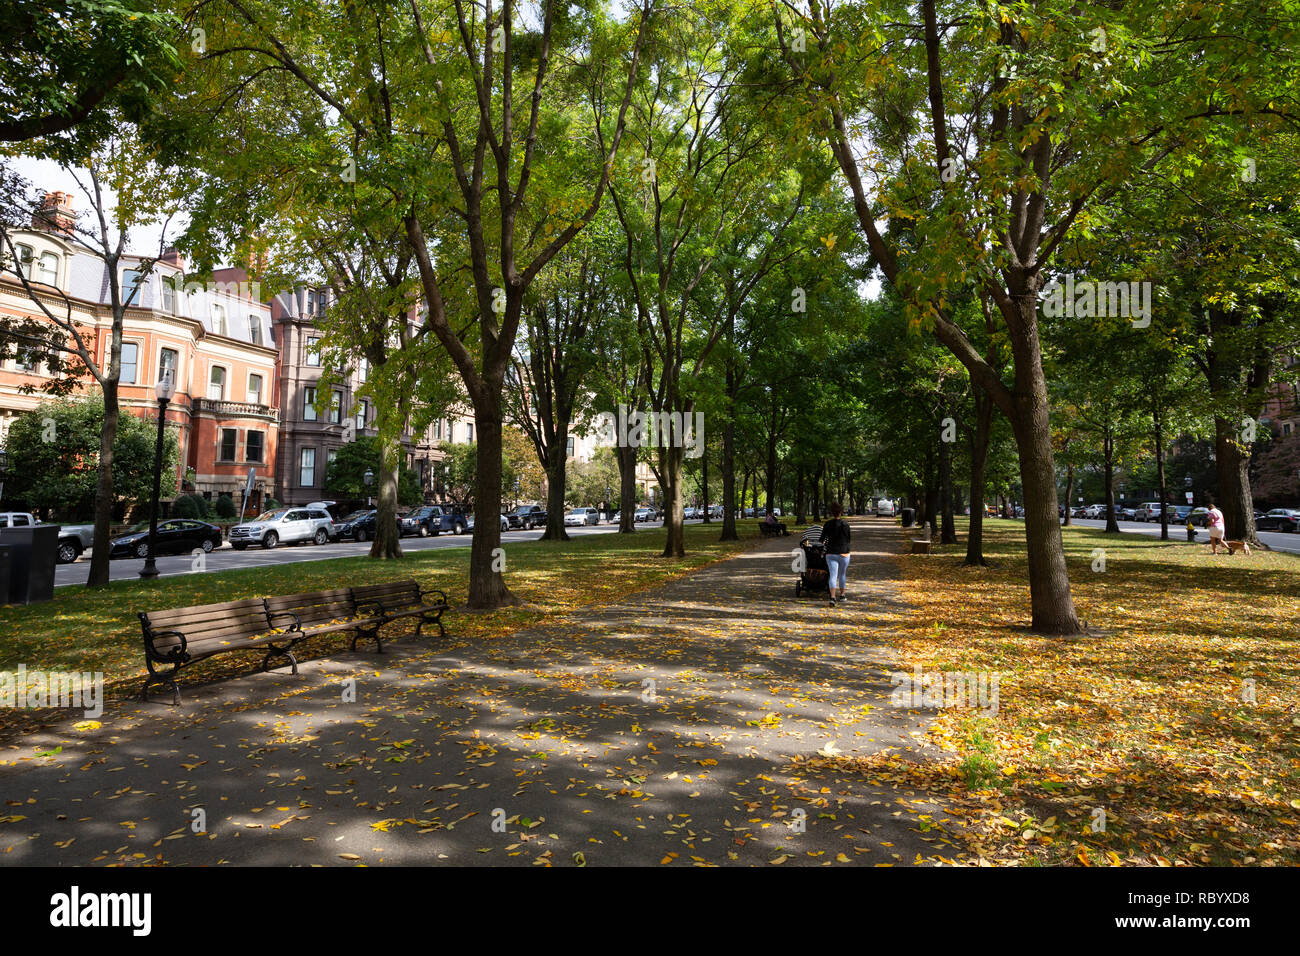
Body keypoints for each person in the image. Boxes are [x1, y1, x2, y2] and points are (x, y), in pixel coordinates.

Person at [819, 503, 851, 603]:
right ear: (841, 512)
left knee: (833, 575)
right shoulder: (845, 525)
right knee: (842, 574)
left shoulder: (827, 524)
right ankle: (842, 595)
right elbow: (848, 539)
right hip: (844, 552)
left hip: (831, 552)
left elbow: (822, 539)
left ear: (832, 513)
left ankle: (832, 597)